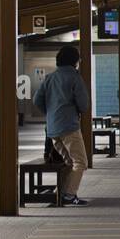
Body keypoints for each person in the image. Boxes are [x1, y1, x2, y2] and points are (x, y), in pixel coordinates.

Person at [32, 44, 90, 206]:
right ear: (75, 61)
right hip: (69, 127)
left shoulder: (50, 77)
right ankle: (70, 195)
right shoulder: (75, 77)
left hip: (52, 129)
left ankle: (61, 193)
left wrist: (50, 113)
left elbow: (37, 99)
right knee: (81, 162)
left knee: (69, 162)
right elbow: (84, 104)